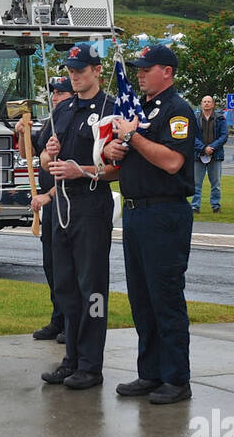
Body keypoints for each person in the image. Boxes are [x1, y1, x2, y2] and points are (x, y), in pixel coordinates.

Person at [101, 42, 195, 405]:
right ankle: (151, 372)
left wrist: (132, 136)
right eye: (138, 68)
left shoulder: (177, 110)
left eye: (146, 68)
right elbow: (129, 159)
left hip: (164, 213)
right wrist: (113, 150)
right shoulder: (141, 109)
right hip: (137, 211)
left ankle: (176, 378)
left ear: (167, 72)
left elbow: (172, 161)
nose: (140, 74)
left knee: (165, 297)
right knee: (142, 298)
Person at [39, 42, 118, 390]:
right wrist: (48, 155)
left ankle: (90, 364)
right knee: (65, 286)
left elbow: (117, 168)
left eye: (80, 70)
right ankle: (70, 359)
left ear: (97, 71)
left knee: (92, 288)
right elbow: (45, 159)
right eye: (70, 71)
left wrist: (81, 170)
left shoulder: (111, 110)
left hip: (90, 203)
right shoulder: (63, 109)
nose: (74, 76)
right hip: (61, 205)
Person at [31, 77, 74, 342]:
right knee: (51, 264)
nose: (55, 98)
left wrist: (48, 195)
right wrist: (23, 132)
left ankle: (72, 322)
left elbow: (75, 169)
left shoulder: (73, 123)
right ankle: (58, 318)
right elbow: (35, 151)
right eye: (53, 93)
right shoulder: (52, 122)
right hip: (50, 204)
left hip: (68, 201)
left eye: (60, 93)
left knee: (67, 267)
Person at [191, 94, 227, 213]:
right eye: (204, 101)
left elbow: (224, 135)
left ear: (213, 104)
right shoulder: (195, 118)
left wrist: (212, 147)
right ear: (201, 104)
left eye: (208, 101)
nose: (206, 103)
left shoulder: (220, 118)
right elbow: (191, 136)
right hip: (198, 155)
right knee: (196, 184)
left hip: (215, 155)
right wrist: (203, 148)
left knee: (216, 184)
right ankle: (195, 206)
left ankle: (216, 206)